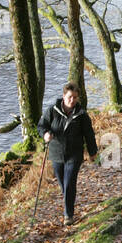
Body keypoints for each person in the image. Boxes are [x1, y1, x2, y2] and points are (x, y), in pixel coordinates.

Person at [37, 81, 98, 226]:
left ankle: (68, 215)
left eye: (75, 97)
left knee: (69, 183)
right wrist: (45, 134)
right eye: (70, 97)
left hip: (74, 154)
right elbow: (41, 125)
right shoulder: (52, 110)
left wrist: (92, 152)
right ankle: (68, 202)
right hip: (56, 153)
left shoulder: (81, 115)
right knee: (63, 185)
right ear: (64, 96)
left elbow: (89, 134)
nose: (72, 100)